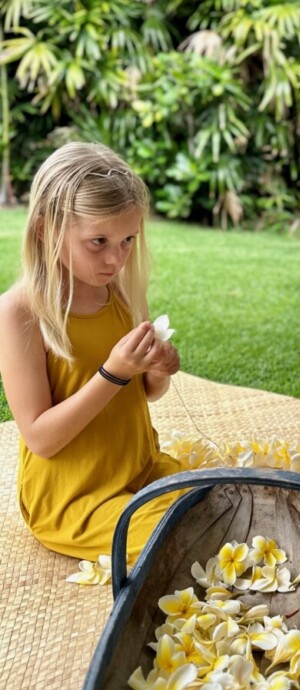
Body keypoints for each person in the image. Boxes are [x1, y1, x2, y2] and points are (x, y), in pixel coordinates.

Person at [0, 141, 185, 564]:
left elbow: (147, 392)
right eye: (98, 241)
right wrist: (114, 373)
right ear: (46, 229)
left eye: (127, 241)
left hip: (139, 470)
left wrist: (158, 368)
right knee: (187, 534)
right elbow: (41, 438)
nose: (115, 258)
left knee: (226, 499)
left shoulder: (119, 290)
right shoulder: (19, 312)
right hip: (75, 497)